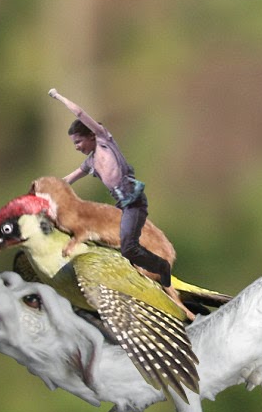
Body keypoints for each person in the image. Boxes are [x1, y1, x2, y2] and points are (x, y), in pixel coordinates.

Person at [48, 88, 172, 287]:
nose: (76, 147)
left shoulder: (105, 141)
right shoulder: (90, 163)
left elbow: (80, 113)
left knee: (128, 246)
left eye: (78, 141)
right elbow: (67, 180)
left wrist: (58, 97)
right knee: (116, 243)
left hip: (134, 200)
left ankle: (161, 267)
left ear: (91, 136)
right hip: (122, 204)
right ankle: (145, 270)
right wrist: (47, 192)